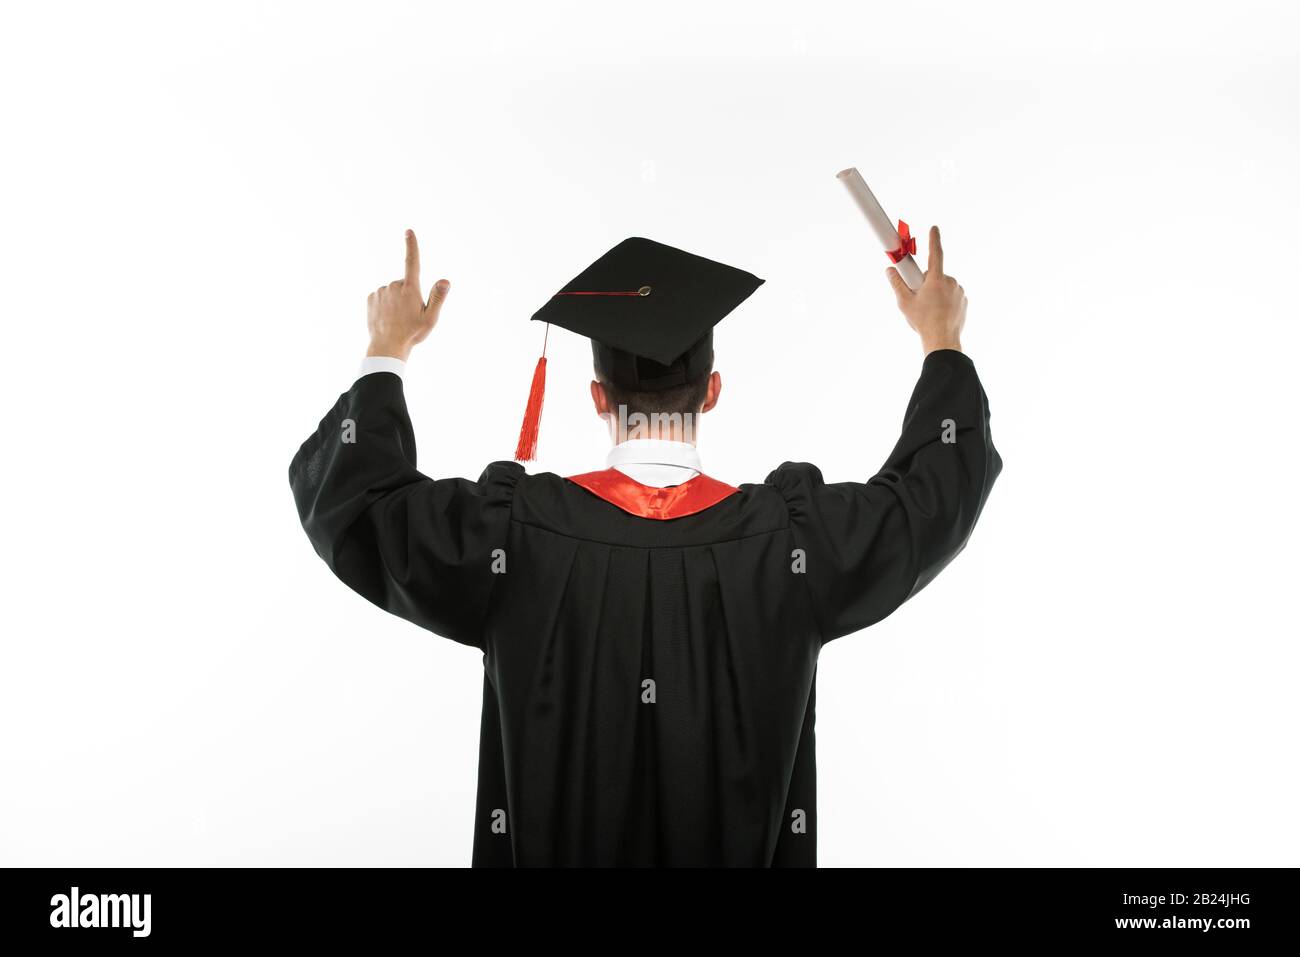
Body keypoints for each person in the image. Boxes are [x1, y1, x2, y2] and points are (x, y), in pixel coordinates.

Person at [288, 227, 1001, 866]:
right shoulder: (792, 546)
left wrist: (388, 351)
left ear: (597, 396)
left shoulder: (510, 540)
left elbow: (357, 504)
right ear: (712, 390)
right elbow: (932, 499)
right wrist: (940, 336)